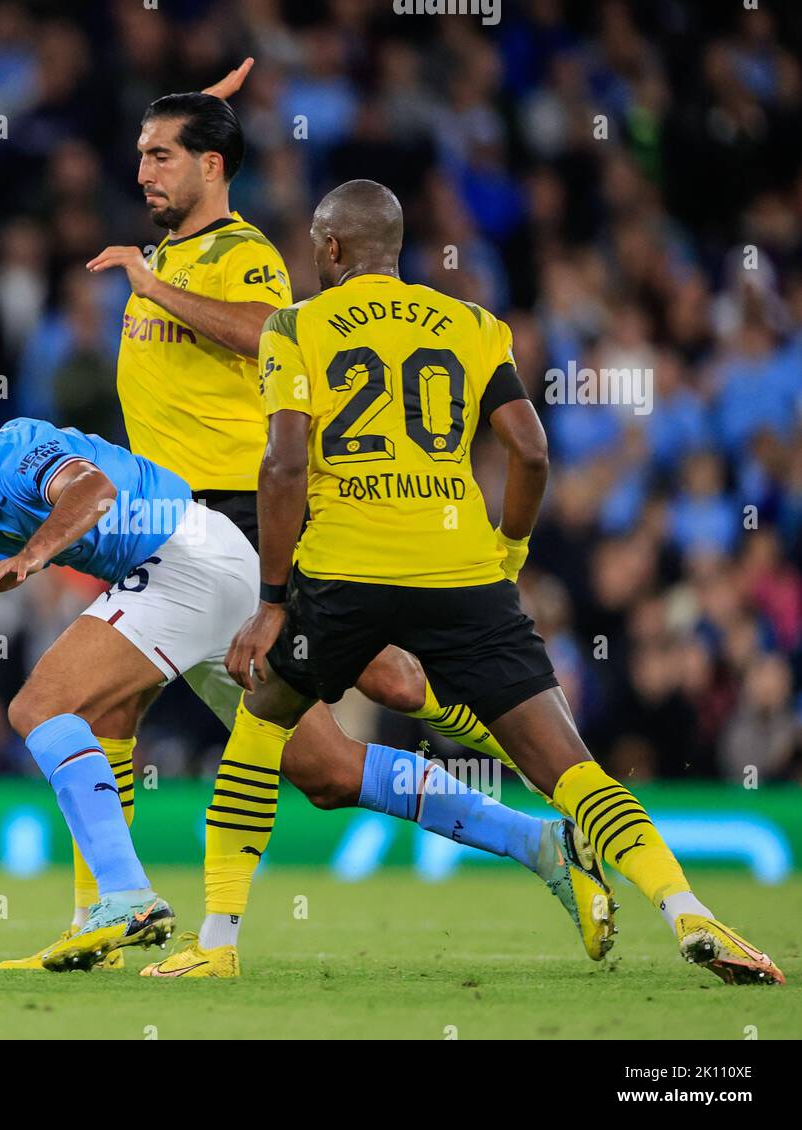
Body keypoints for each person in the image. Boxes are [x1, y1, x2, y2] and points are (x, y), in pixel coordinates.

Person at [0, 72, 611, 979]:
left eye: (160, 156)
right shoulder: (167, 253)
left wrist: (148, 274)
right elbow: (193, 173)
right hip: (174, 524)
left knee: (71, 701)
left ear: (213, 168)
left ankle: (115, 907)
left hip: (230, 525)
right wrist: (187, 120)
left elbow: (267, 326)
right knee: (322, 767)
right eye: (137, 156)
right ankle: (537, 842)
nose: (142, 173)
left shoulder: (236, 251)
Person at [219, 178, 784, 987]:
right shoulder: (474, 325)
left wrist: (272, 603)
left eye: (315, 243)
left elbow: (282, 465)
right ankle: (686, 908)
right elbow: (532, 450)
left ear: (333, 249)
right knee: (573, 768)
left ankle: (216, 939)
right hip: (461, 569)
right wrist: (510, 555)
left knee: (260, 724)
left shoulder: (296, 326)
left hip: (344, 568)